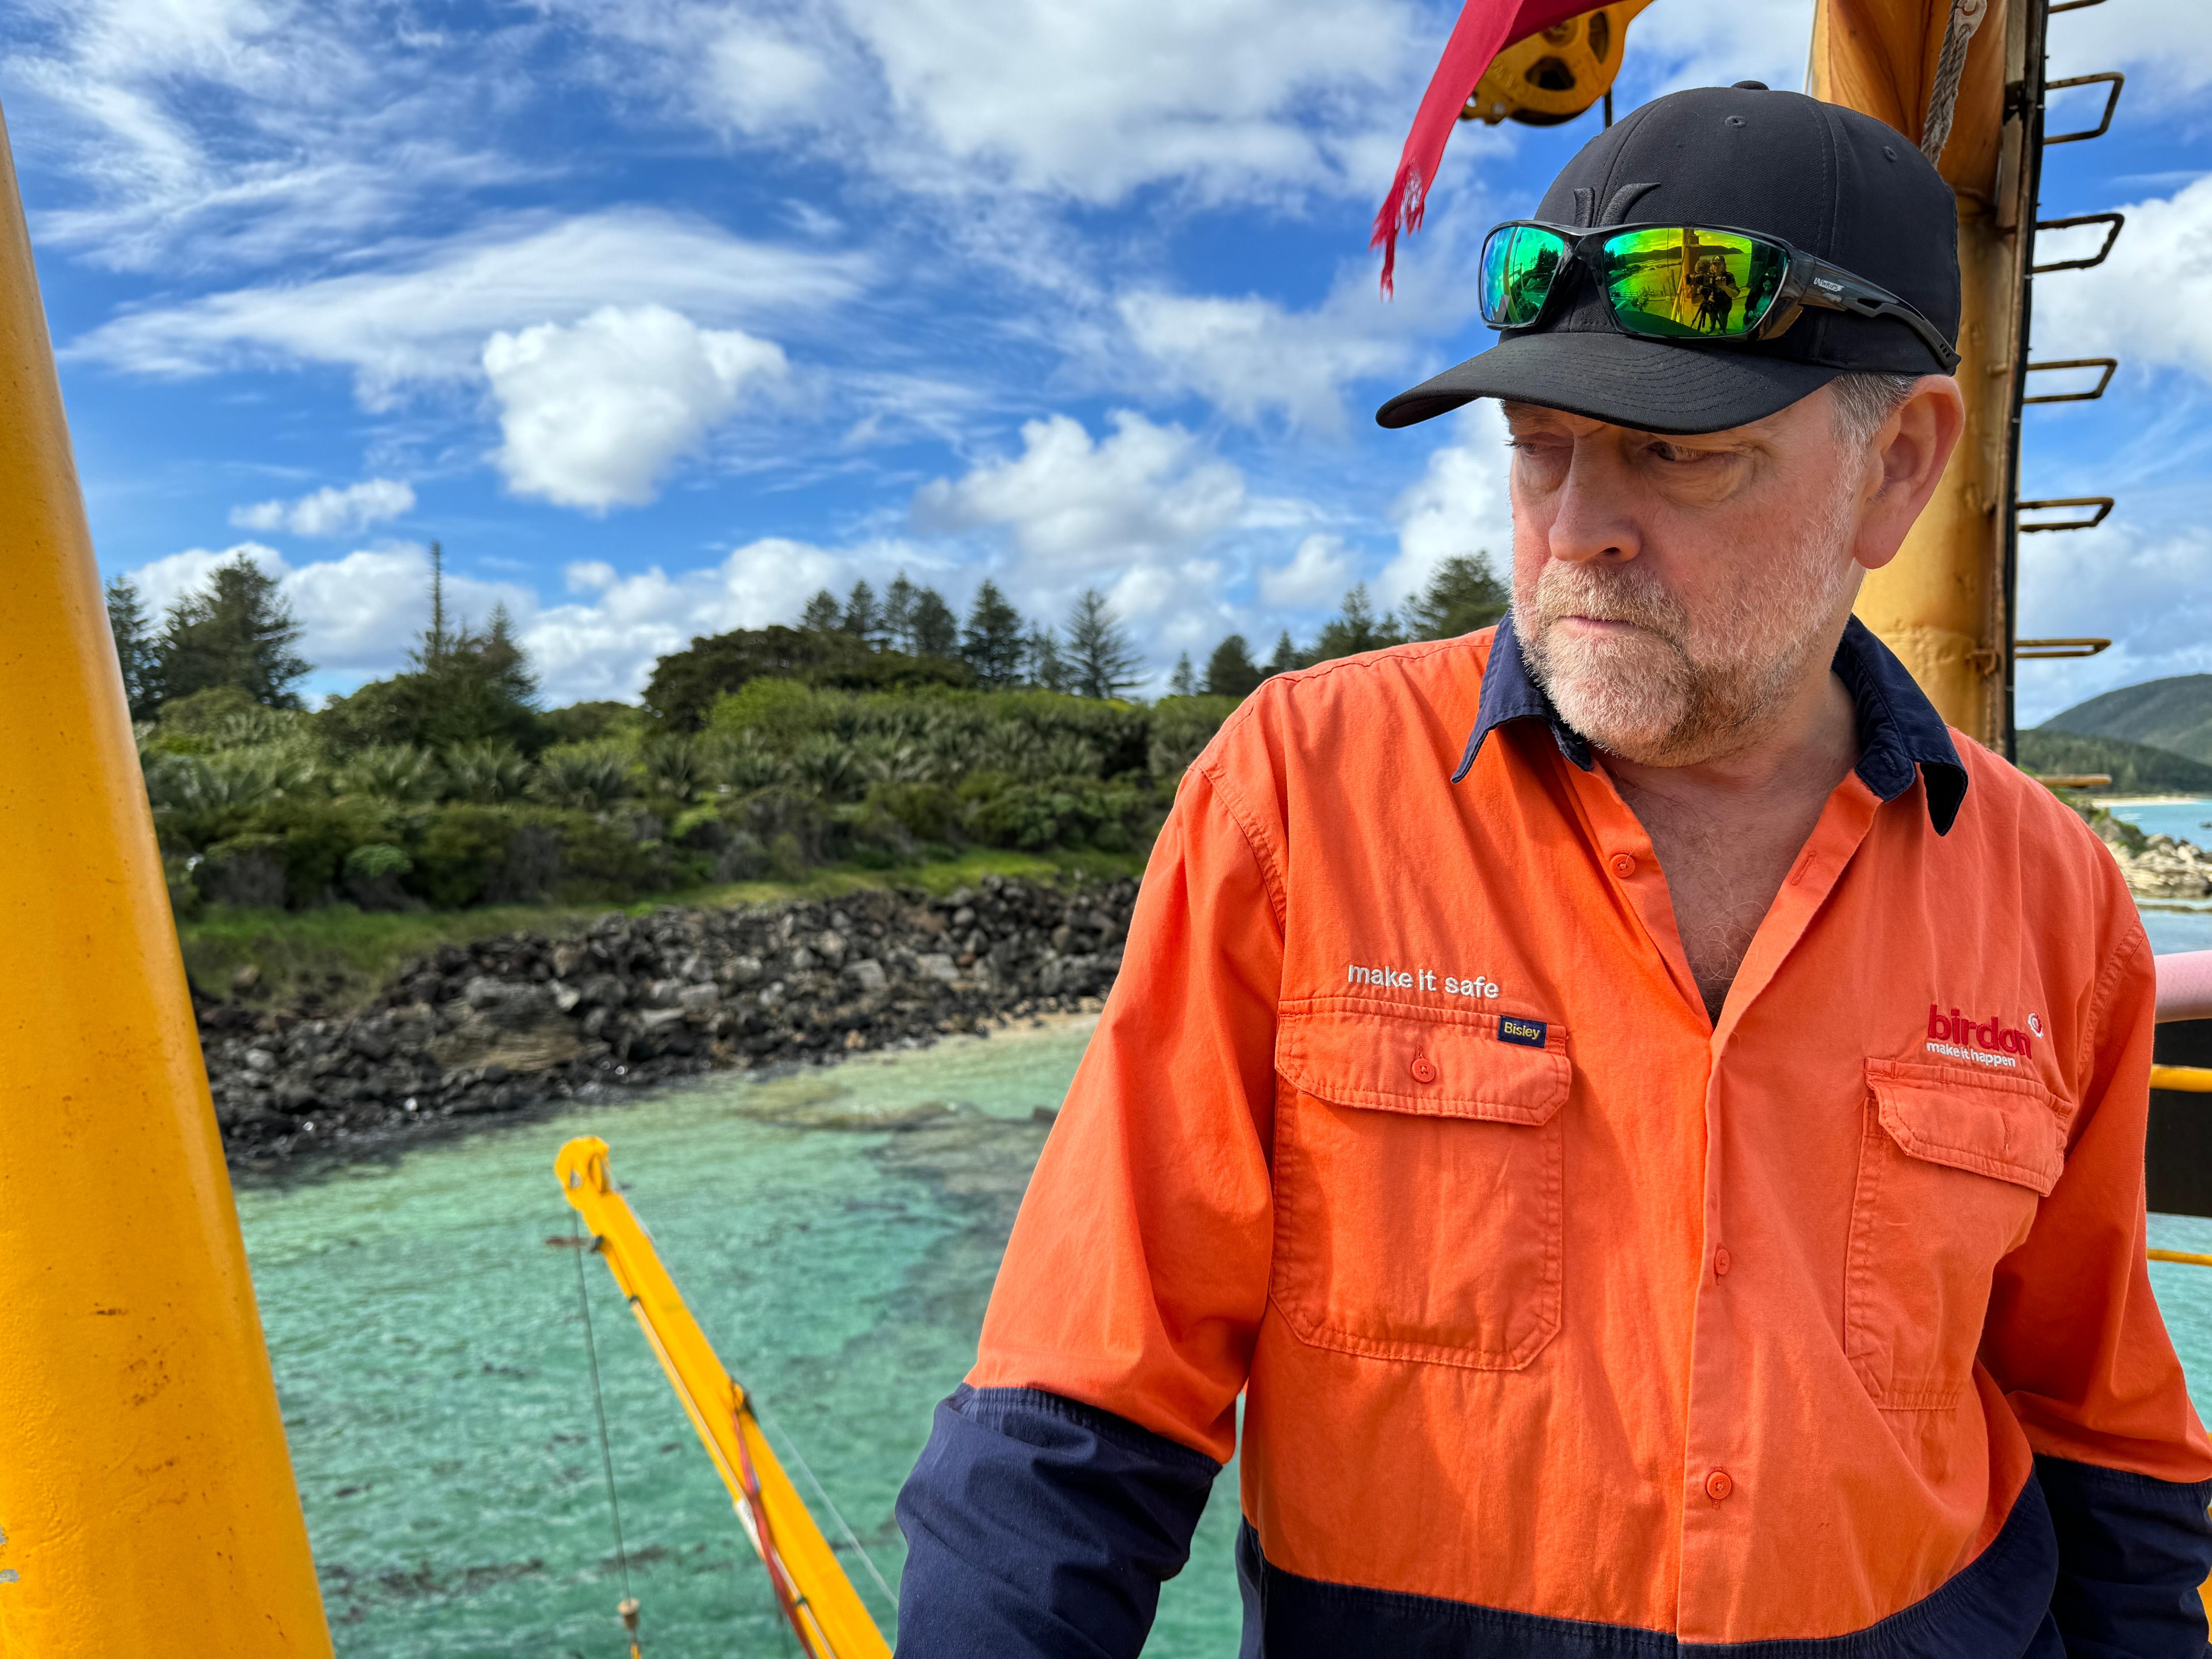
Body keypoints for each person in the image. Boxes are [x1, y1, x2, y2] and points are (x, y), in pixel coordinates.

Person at [893, 84, 2212, 1656]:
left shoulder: (2058, 899)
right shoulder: (1302, 792)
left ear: (1900, 467)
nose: (1579, 528)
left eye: (1672, 453)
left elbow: (2098, 1423)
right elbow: (1078, 1403)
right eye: (1539, 451)